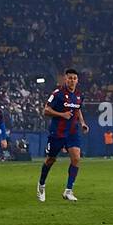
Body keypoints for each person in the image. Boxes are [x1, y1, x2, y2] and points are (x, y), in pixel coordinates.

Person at [38, 68, 87, 202]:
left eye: (74, 78)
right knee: (51, 160)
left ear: (77, 80)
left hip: (72, 132)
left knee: (76, 159)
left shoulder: (78, 95)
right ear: (65, 79)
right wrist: (62, 115)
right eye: (70, 78)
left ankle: (68, 191)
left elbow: (78, 110)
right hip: (57, 132)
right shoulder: (58, 93)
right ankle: (41, 185)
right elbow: (46, 110)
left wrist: (82, 123)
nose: (72, 80)